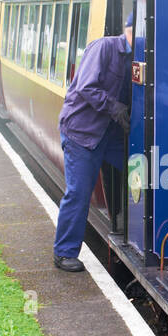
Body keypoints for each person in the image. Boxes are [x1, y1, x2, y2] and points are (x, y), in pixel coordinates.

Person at [53, 22, 133, 273]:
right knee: (78, 192)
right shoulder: (104, 47)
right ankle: (64, 252)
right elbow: (86, 86)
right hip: (82, 132)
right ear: (131, 28)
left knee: (141, 169)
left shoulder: (137, 57)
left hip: (109, 134)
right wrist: (115, 107)